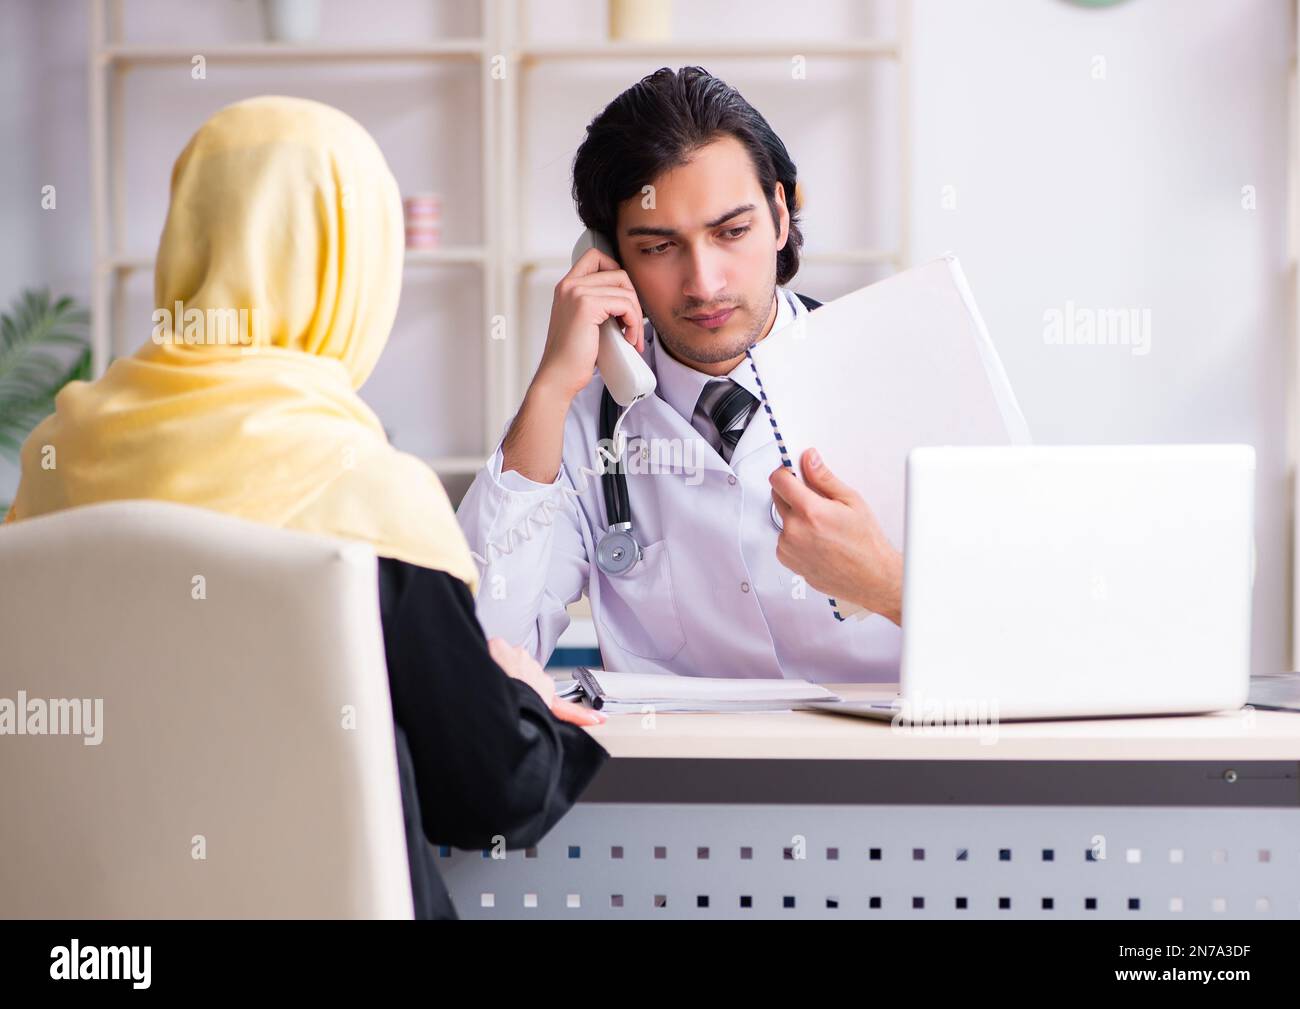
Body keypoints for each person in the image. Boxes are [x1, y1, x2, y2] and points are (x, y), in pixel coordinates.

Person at [3, 95, 607, 919]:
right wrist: (523, 696)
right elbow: (490, 796)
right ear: (353, 268)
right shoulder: (363, 492)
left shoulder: (53, 461)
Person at [457, 67, 903, 682]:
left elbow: (1034, 629)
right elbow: (478, 660)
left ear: (778, 215)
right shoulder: (579, 426)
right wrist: (551, 387)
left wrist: (887, 584)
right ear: (607, 257)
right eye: (659, 247)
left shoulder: (901, 374)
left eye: (733, 231)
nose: (704, 284)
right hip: (675, 775)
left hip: (894, 772)